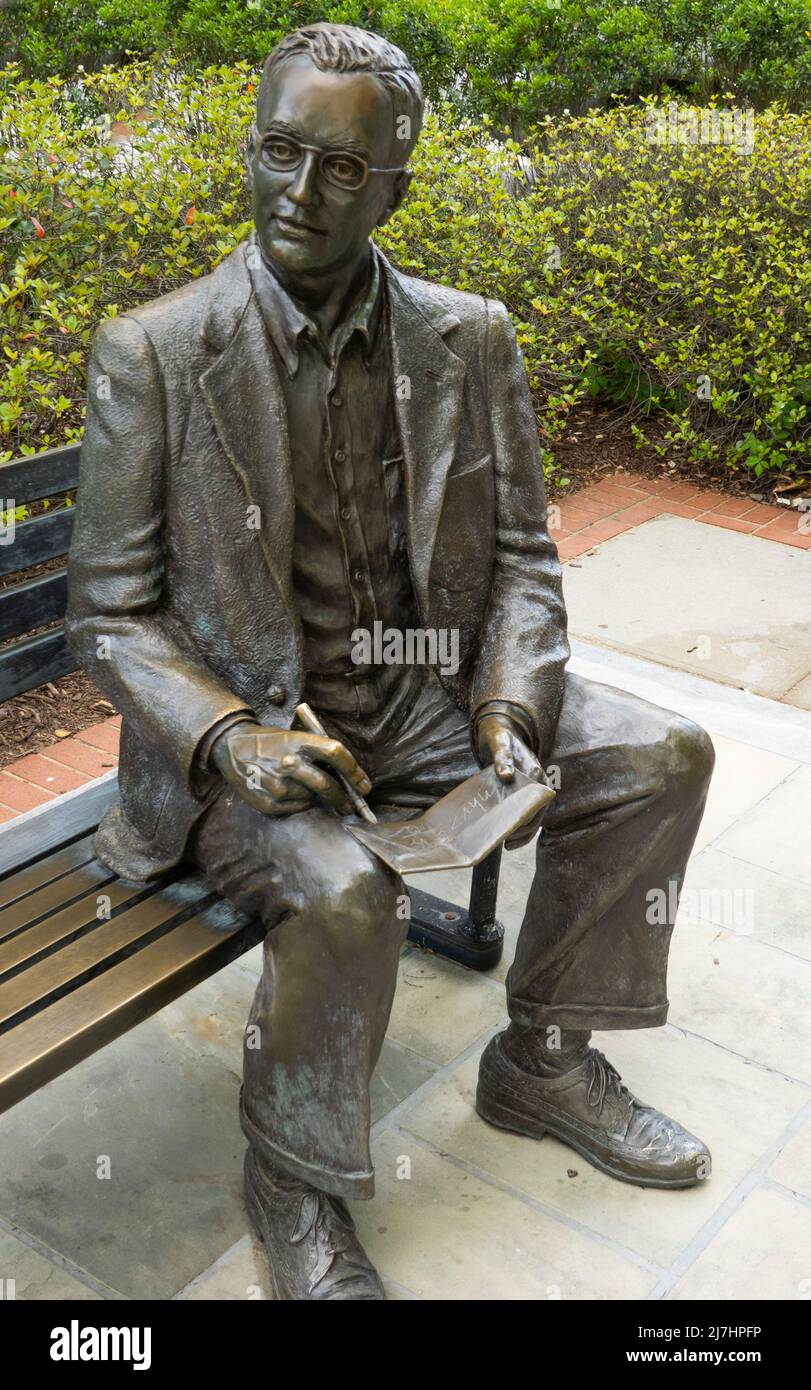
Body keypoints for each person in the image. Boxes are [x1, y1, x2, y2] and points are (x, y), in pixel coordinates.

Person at [66, 23, 715, 1301]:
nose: (299, 193)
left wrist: (508, 701)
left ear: (396, 185)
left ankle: (540, 1056)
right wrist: (228, 739)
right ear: (251, 151)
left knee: (657, 754)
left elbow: (525, 554)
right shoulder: (155, 351)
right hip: (247, 750)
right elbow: (108, 614)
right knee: (350, 889)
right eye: (278, 152)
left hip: (425, 705)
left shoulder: (469, 337)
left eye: (341, 169)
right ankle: (292, 1179)